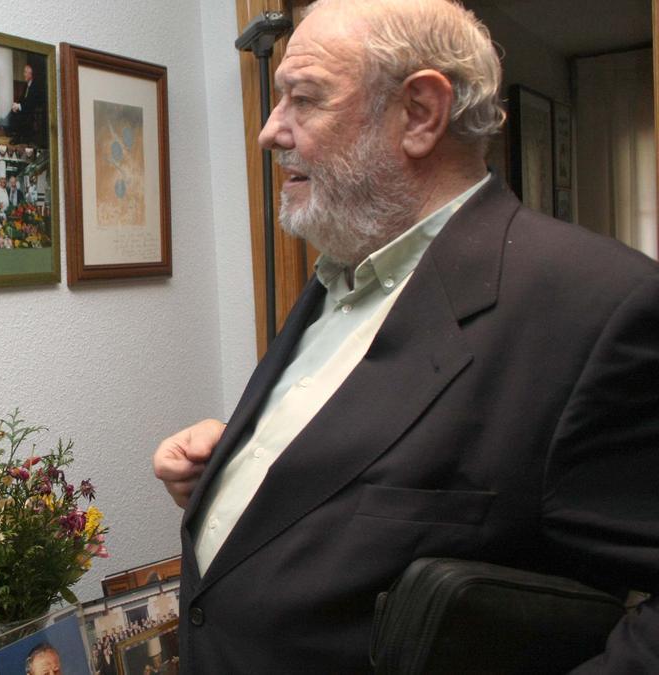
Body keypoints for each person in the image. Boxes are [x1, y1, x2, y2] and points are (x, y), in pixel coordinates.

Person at [151, 0, 659, 672]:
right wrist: (238, 472)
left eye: (303, 99)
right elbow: (366, 477)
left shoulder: (601, 309)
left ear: (419, 113)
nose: (270, 132)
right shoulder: (340, 270)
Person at [7, 63, 42, 144]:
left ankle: (18, 138)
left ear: (31, 74)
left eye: (26, 72)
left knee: (20, 114)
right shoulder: (26, 84)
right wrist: (16, 104)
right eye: (24, 72)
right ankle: (13, 132)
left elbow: (31, 102)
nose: (24, 74)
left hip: (31, 109)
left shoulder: (35, 85)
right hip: (25, 107)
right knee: (13, 111)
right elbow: (22, 98)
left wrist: (19, 106)